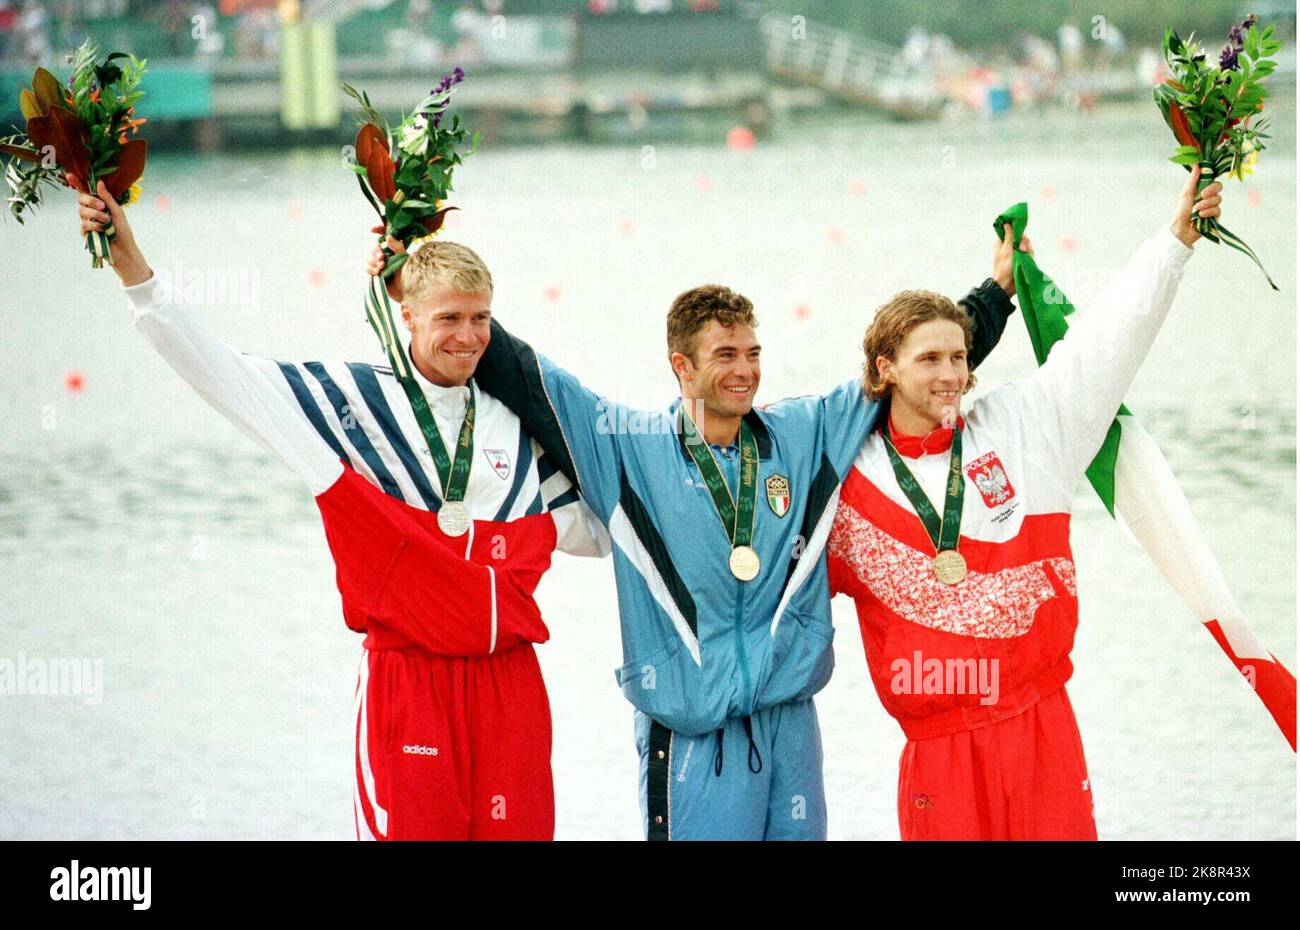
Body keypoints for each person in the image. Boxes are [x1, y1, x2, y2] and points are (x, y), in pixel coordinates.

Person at [369, 235, 1018, 839]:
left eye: (754, 354)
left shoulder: (805, 433)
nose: (745, 371)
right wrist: (413, 287)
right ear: (681, 365)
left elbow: (909, 371)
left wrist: (996, 294)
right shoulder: (627, 449)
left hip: (790, 727)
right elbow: (524, 376)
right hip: (691, 738)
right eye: (726, 356)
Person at [71, 174, 609, 841]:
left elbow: (598, 530)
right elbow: (219, 371)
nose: (467, 336)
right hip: (410, 687)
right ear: (406, 315)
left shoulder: (515, 425)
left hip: (510, 688)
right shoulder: (351, 409)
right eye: (448, 318)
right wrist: (132, 265)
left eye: (480, 318)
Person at [826, 168, 1223, 840]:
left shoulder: (1023, 427)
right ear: (883, 369)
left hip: (1040, 727)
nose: (952, 374)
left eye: (960, 356)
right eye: (930, 360)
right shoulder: (841, 476)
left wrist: (1177, 237)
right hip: (939, 752)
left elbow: (1107, 341)